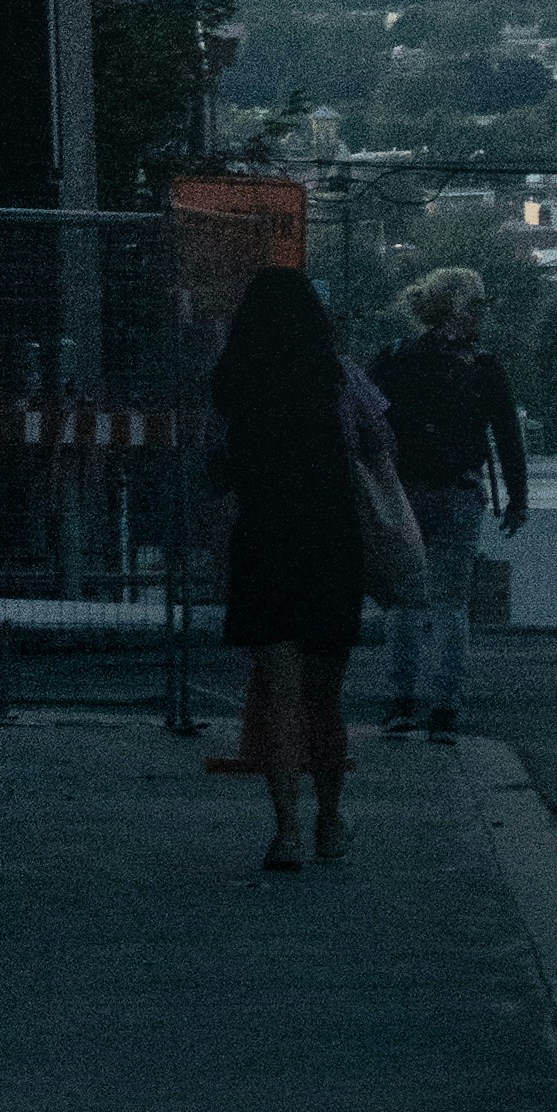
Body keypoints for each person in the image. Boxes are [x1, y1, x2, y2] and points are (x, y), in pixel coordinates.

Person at [207, 266, 389, 872]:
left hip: (264, 545)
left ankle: (285, 831)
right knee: (324, 699)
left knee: (280, 699)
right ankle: (330, 821)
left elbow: (216, 471)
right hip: (332, 545)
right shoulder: (340, 379)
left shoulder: (233, 384)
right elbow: (381, 445)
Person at [369, 267, 528, 739]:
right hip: (459, 493)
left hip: (402, 495)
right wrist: (517, 498)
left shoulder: (392, 360)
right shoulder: (482, 366)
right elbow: (506, 436)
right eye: (474, 304)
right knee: (451, 604)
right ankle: (444, 705)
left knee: (404, 601)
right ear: (452, 311)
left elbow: (368, 426)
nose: (482, 313)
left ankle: (401, 700)